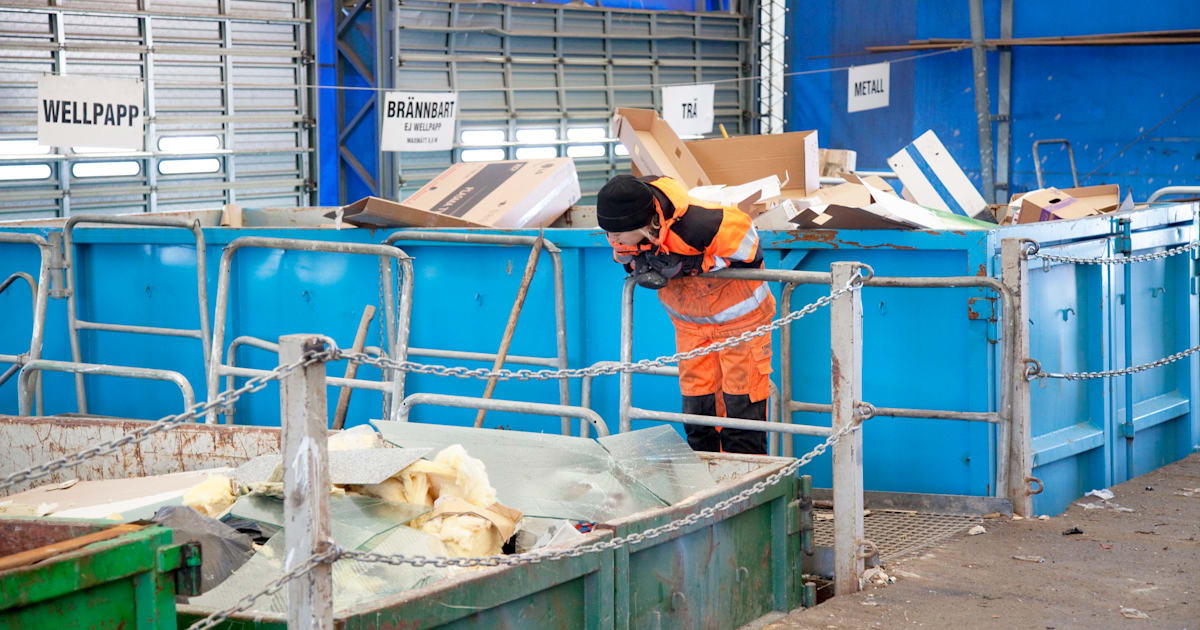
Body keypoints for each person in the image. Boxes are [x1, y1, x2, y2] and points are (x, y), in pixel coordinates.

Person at [597, 174, 775, 455]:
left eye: (617, 232)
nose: (612, 239)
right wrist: (638, 265)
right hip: (690, 329)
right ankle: (705, 477)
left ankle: (746, 484)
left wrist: (693, 263)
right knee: (697, 410)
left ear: (644, 223)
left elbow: (750, 248)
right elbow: (624, 257)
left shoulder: (703, 224)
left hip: (742, 324)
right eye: (607, 231)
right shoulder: (622, 232)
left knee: (742, 409)